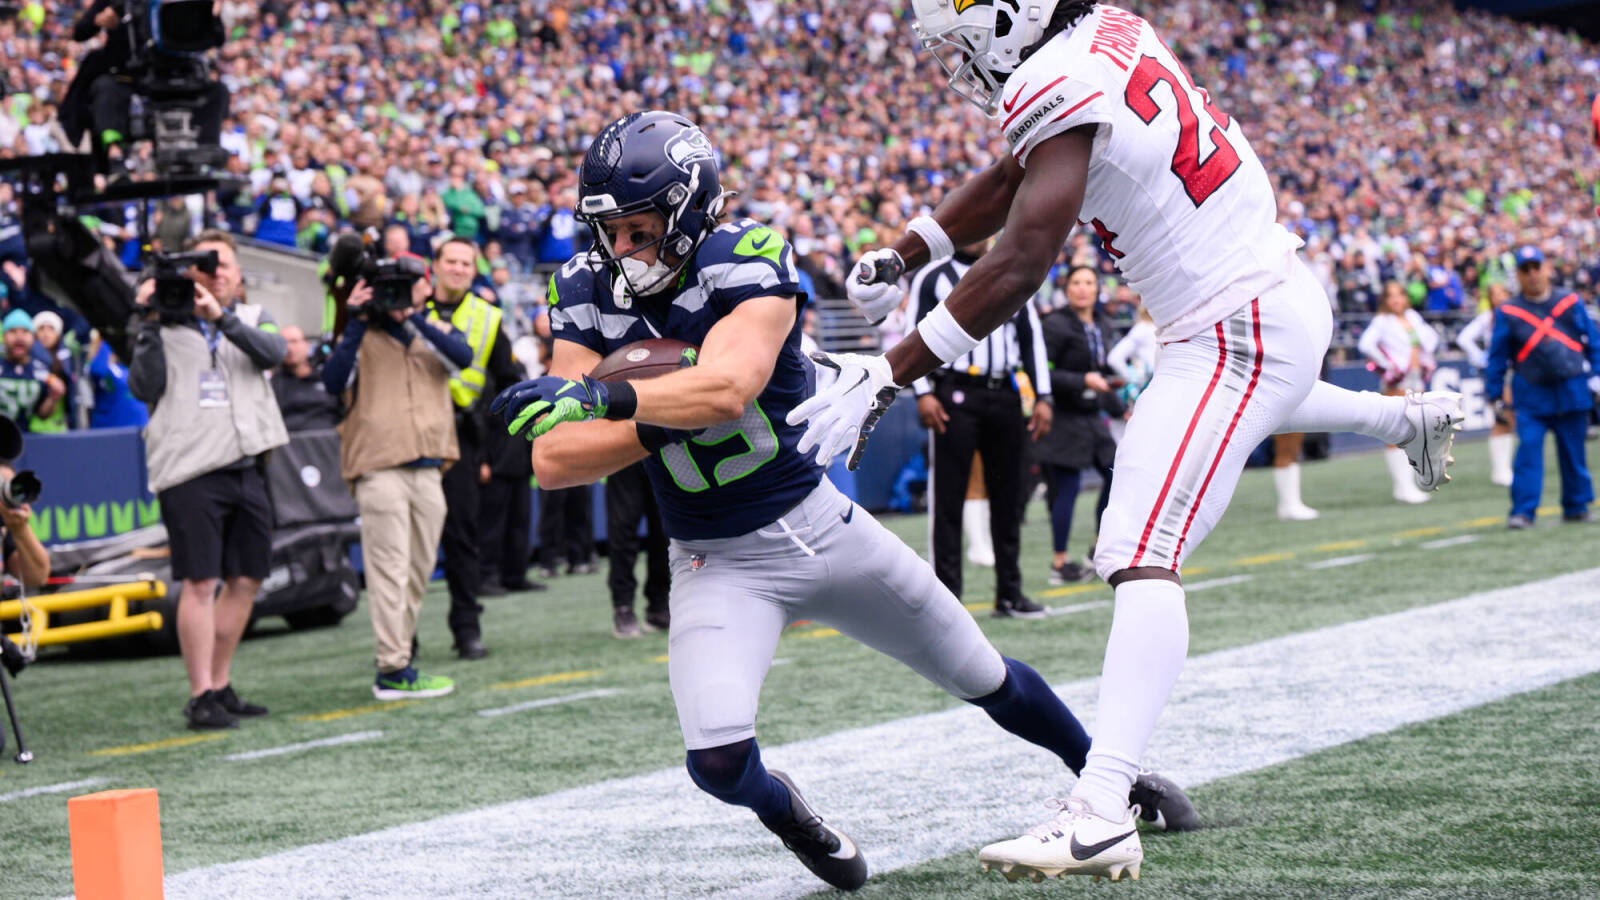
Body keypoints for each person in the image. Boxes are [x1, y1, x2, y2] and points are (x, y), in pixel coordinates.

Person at [794, 3, 1463, 882]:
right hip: (1262, 295)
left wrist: (891, 369)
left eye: (960, 42)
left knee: (1139, 549)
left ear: (1007, 17)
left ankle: (1102, 808)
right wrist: (911, 248)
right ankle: (1407, 418)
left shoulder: (1050, 76)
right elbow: (1015, 174)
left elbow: (1024, 255)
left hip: (1232, 323)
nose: (956, 65)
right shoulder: (1105, 26)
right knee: (1253, 406)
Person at [491, 111, 1196, 894]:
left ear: (689, 211)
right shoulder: (585, 287)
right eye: (610, 231)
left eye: (639, 228)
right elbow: (555, 460)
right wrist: (655, 408)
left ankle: (1107, 777)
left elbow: (728, 390)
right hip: (714, 557)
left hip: (822, 527)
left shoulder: (745, 255)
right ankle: (789, 812)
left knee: (983, 675)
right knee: (717, 763)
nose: (621, 249)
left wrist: (611, 396)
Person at [128, 230, 288, 730]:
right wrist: (149, 320)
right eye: (206, 265)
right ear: (189, 274)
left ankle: (219, 683)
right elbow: (144, 384)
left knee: (247, 578)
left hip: (247, 463)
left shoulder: (253, 316)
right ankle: (199, 694)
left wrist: (222, 319)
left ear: (239, 275)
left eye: (225, 266)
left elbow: (274, 352)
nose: (216, 273)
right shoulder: (163, 322)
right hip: (190, 469)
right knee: (200, 582)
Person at [322, 270, 471, 700]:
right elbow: (332, 383)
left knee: (418, 570)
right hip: (378, 467)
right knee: (389, 570)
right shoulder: (356, 333)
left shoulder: (432, 327)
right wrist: (353, 318)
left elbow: (462, 357)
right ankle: (392, 666)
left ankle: (396, 658)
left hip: (429, 467)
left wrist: (411, 317)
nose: (395, 296)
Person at [909, 241, 1052, 617]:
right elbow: (913, 333)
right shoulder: (933, 277)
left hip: (1003, 392)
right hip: (954, 393)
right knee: (949, 499)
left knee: (1009, 496)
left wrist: (1044, 395)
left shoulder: (1014, 271)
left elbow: (1030, 336)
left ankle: (1010, 593)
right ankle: (948, 603)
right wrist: (922, 392)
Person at [425, 237, 521, 660]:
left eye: (467, 262)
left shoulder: (487, 316)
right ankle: (400, 643)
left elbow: (507, 380)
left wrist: (489, 449)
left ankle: (467, 629)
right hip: (414, 431)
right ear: (435, 265)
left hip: (462, 436)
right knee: (411, 546)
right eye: (452, 260)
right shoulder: (407, 307)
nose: (460, 268)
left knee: (463, 537)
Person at [1484, 246, 1600, 529]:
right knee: (1528, 454)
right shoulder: (1509, 310)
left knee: (1574, 454)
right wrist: (1494, 394)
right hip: (1531, 394)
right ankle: (1523, 511)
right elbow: (1497, 356)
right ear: (1519, 275)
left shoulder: (1569, 301)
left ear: (1546, 268)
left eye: (1537, 267)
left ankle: (1576, 505)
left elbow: (1593, 341)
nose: (1533, 274)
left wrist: (1597, 376)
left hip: (1571, 389)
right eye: (1526, 269)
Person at [1036, 265, 1121, 584]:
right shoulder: (1055, 324)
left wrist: (1118, 401)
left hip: (1091, 414)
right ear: (1066, 288)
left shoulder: (1101, 323)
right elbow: (1043, 373)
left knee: (1117, 475)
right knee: (1067, 489)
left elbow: (1099, 370)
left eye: (1089, 282)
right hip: (1063, 415)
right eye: (1076, 282)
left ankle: (1099, 548)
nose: (1083, 288)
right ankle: (1060, 564)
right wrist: (1081, 379)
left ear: (1098, 289)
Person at [1358, 281, 1440, 504]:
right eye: (1390, 295)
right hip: (1397, 382)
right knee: (1397, 432)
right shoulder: (1381, 321)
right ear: (1385, 299)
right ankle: (1403, 487)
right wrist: (1389, 365)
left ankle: (1409, 484)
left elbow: (1432, 341)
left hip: (1417, 378)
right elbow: (1365, 344)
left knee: (1416, 431)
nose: (1396, 300)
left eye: (1399, 295)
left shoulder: (1413, 317)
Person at [603, 461, 669, 637]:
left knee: (665, 530)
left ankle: (659, 604)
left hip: (663, 448)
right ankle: (623, 607)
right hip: (623, 449)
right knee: (622, 528)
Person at [1457, 283, 1515, 486]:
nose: (1499, 298)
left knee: (1511, 419)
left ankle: (1505, 468)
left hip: (1517, 372)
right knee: (1502, 417)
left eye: (1502, 293)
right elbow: (1463, 338)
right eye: (1494, 295)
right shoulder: (1487, 318)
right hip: (1499, 374)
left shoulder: (1515, 315)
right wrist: (1481, 357)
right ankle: (1501, 470)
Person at [0, 311, 64, 435]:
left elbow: (42, 415)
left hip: (25, 438)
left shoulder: (40, 370)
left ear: (33, 337)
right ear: (4, 336)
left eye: (25, 331)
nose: (19, 337)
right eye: (12, 331)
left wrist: (53, 398)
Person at [270, 325, 339, 431]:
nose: (289, 348)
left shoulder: (327, 377)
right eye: (284, 343)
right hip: (290, 443)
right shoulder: (274, 384)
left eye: (294, 341)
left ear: (306, 345)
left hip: (328, 440)